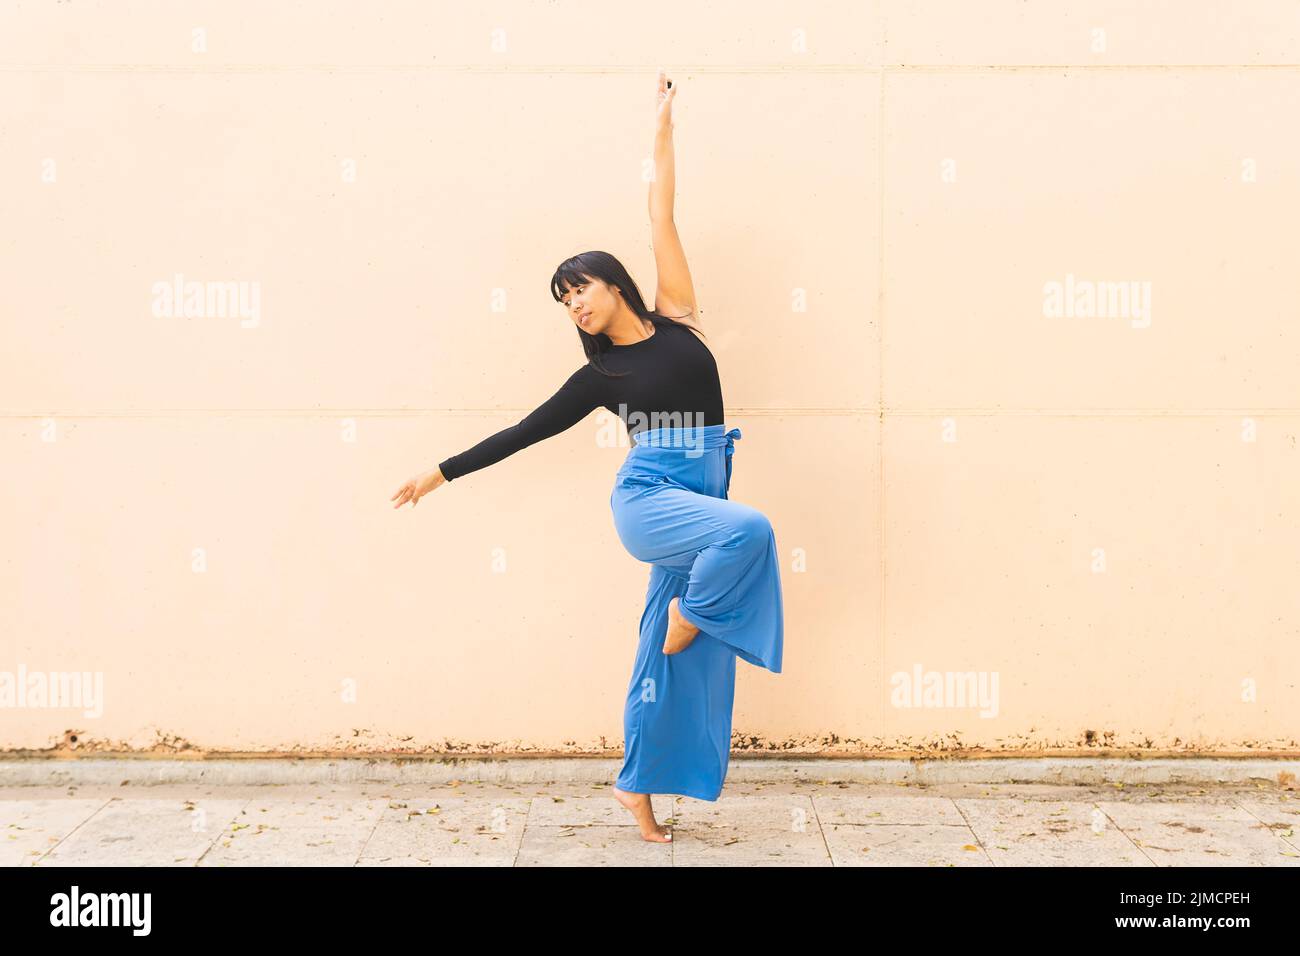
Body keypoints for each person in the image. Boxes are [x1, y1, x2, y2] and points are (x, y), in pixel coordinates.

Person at [391, 71, 784, 844]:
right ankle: (695, 612)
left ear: (612, 282)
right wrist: (439, 472)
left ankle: (635, 787)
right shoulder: (598, 377)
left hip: (698, 503)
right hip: (651, 501)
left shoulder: (679, 321)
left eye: (580, 288)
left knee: (667, 659)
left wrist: (664, 127)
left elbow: (660, 214)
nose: (574, 304)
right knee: (753, 532)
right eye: (563, 300)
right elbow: (523, 433)